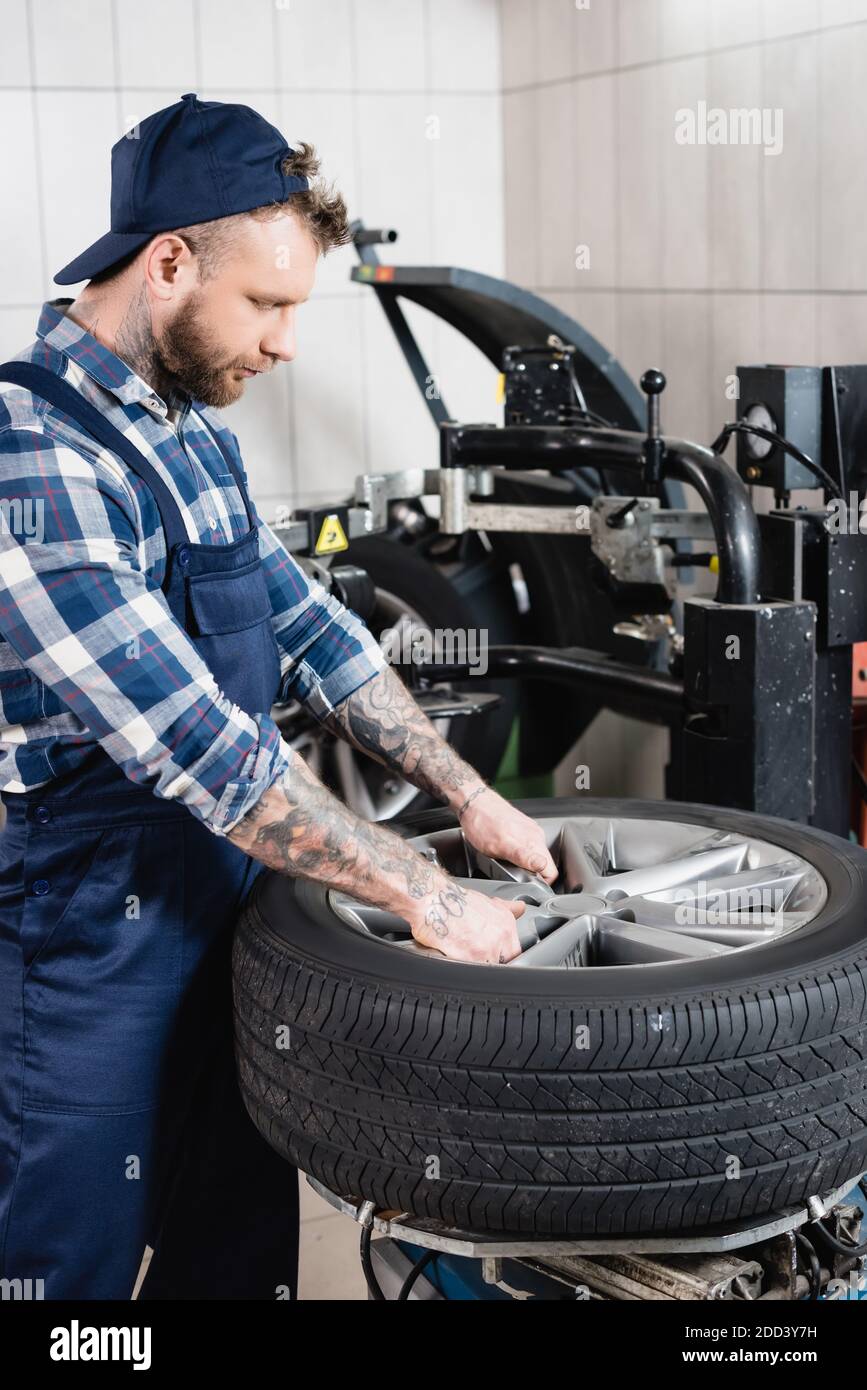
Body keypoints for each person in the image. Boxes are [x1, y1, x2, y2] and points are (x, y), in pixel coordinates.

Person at [0, 94, 557, 1300]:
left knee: (240, 1243)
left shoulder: (193, 436)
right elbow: (206, 749)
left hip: (235, 921)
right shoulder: (33, 453)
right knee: (70, 1275)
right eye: (269, 303)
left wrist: (470, 798)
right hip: (90, 947)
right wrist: (422, 891)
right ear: (166, 265)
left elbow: (312, 630)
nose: (288, 341)